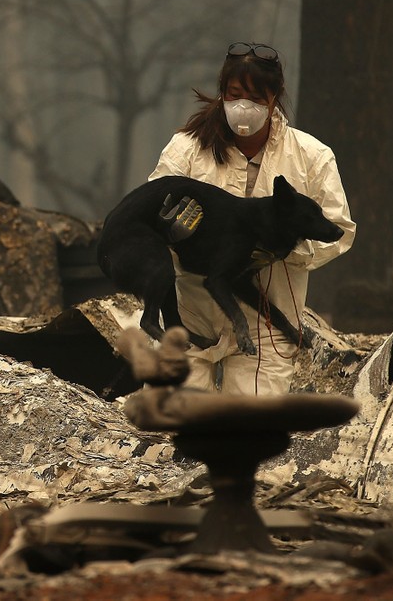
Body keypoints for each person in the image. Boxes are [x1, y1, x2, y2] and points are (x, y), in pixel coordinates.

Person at [148, 41, 356, 396]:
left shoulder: (311, 157)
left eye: (255, 98)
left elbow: (340, 229)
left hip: (266, 321)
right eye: (234, 94)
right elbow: (150, 210)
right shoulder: (186, 150)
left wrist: (284, 251)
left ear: (274, 98)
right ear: (222, 95)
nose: (243, 106)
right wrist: (173, 231)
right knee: (175, 430)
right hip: (189, 312)